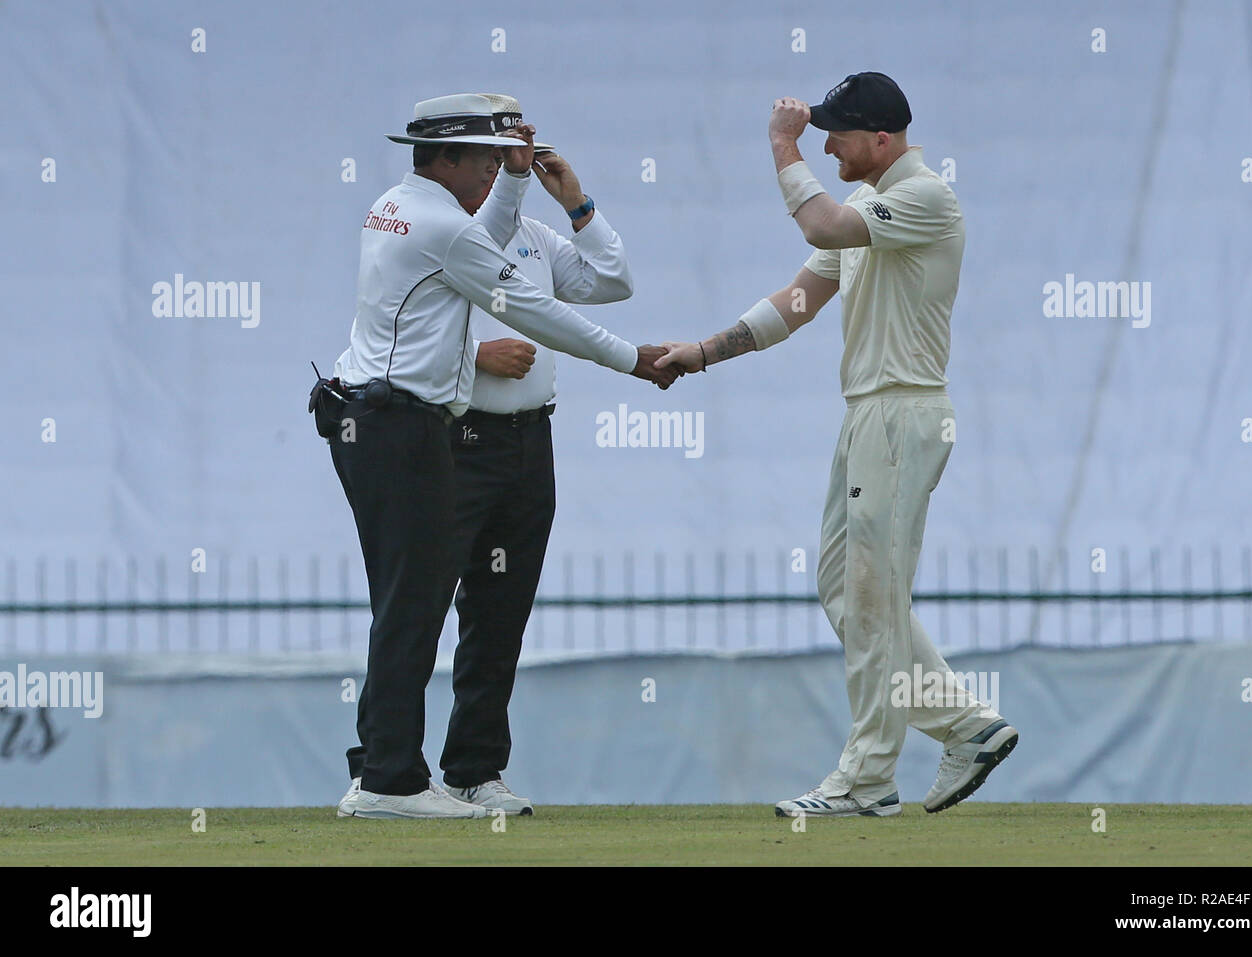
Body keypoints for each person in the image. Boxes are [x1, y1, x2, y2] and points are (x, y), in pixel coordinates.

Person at [657, 72, 1018, 817]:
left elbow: (818, 226)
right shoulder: (864, 205)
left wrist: (781, 146)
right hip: (867, 414)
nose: (826, 144)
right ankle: (966, 725)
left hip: (903, 410)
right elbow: (798, 301)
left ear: (882, 139)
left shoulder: (925, 196)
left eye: (838, 133)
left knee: (873, 595)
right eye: (817, 131)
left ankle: (867, 779)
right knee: (845, 586)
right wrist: (701, 351)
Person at [330, 93, 676, 820]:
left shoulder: (401, 204)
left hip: (380, 419)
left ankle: (403, 773)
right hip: (402, 425)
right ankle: (389, 779)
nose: (495, 169)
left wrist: (522, 182)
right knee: (413, 602)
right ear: (448, 157)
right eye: (486, 158)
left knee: (414, 599)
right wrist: (633, 359)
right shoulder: (442, 225)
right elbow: (532, 309)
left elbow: (494, 246)